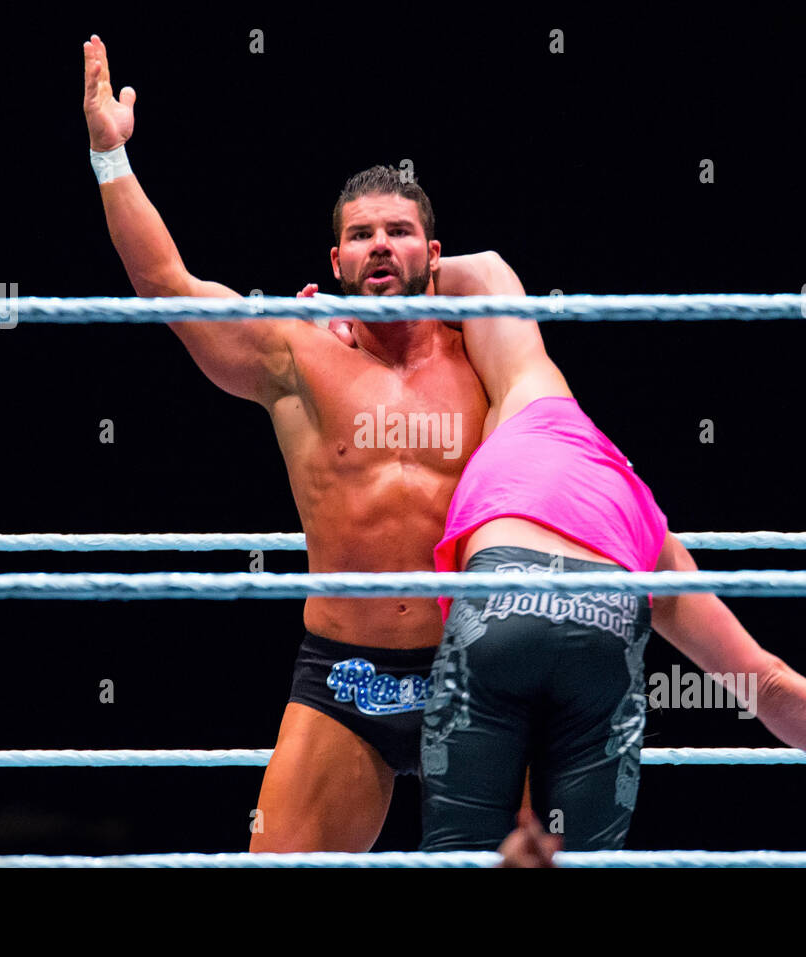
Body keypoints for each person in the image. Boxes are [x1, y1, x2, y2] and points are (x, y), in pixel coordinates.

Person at [83, 34, 521, 852]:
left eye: (398, 231)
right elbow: (166, 283)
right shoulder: (294, 352)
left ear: (434, 253)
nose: (380, 245)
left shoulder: (491, 356)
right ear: (335, 258)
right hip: (343, 677)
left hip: (475, 673)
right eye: (361, 235)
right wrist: (111, 157)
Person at [417, 255, 806, 853]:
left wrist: (353, 316)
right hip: (607, 617)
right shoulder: (639, 516)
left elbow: (484, 270)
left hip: (499, 607)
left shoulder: (527, 406)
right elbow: (766, 682)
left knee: (460, 859)